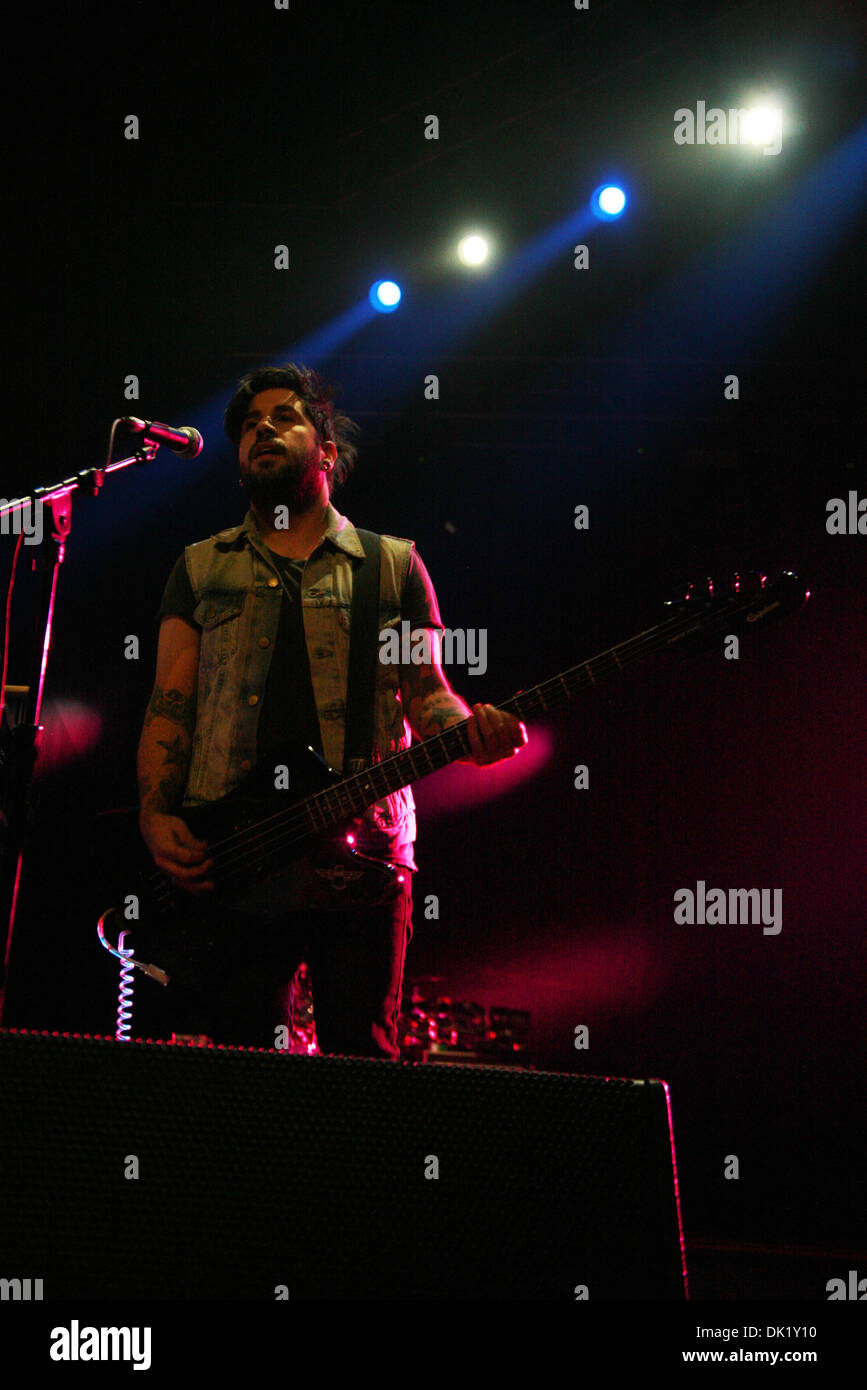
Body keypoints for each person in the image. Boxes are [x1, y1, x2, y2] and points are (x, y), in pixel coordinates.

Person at [136, 363, 527, 1057]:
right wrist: (156, 813)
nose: (262, 427)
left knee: (360, 1069)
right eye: (250, 423)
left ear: (325, 449)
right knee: (238, 1071)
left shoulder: (391, 565)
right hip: (233, 860)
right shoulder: (199, 568)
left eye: (284, 416)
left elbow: (426, 692)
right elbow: (171, 703)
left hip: (363, 862)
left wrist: (464, 731)